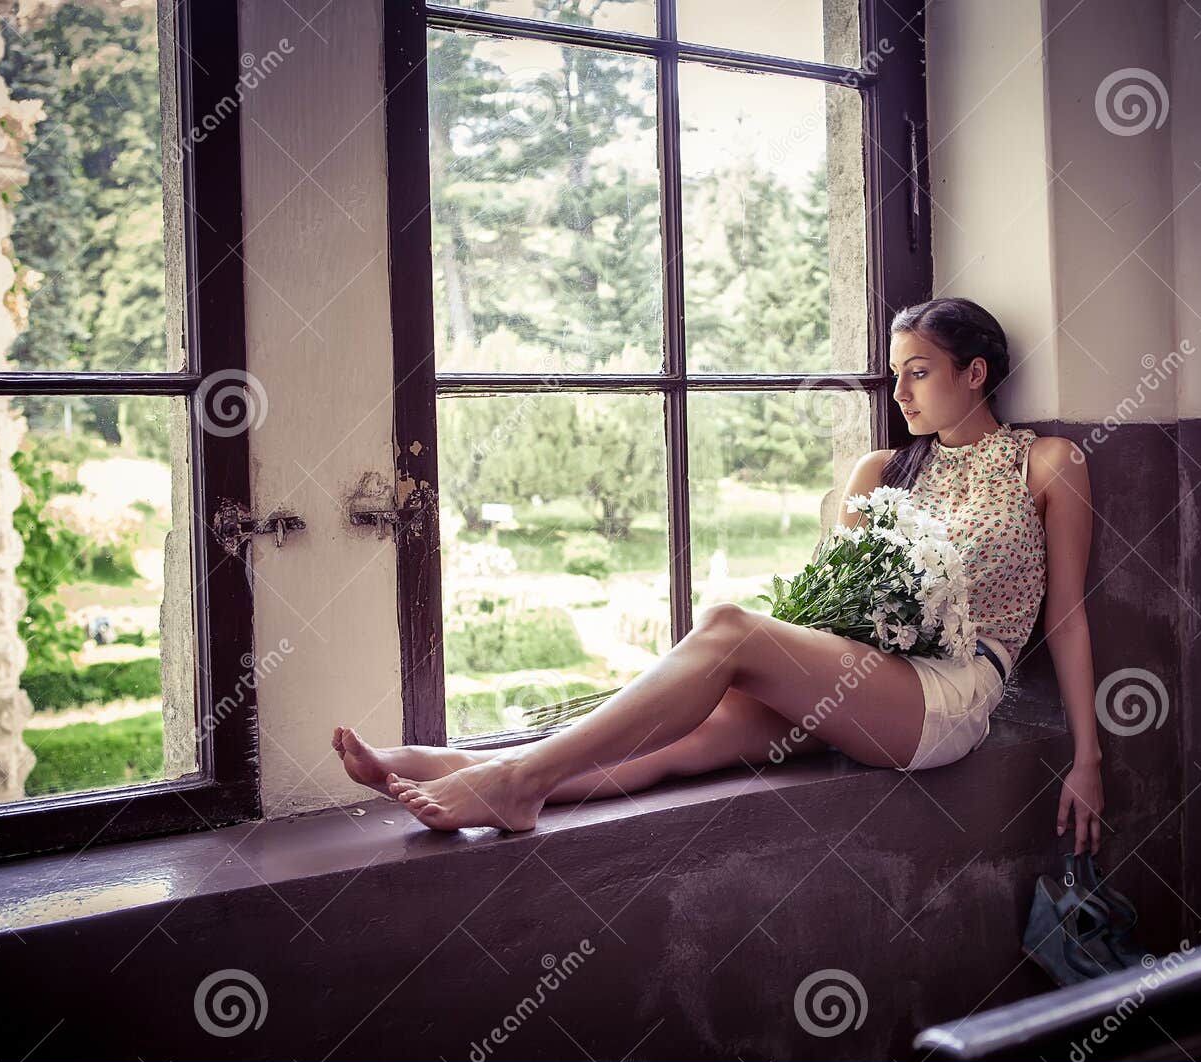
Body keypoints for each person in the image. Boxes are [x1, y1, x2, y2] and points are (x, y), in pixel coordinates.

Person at [332, 297, 1106, 852]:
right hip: (861, 677)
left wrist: (1088, 758)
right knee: (689, 740)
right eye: (895, 374)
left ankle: (513, 782)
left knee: (731, 627)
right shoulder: (881, 470)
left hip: (948, 694)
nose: (899, 392)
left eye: (919, 373)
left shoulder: (1047, 464)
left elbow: (1066, 616)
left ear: (975, 373)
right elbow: (839, 602)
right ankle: (460, 769)